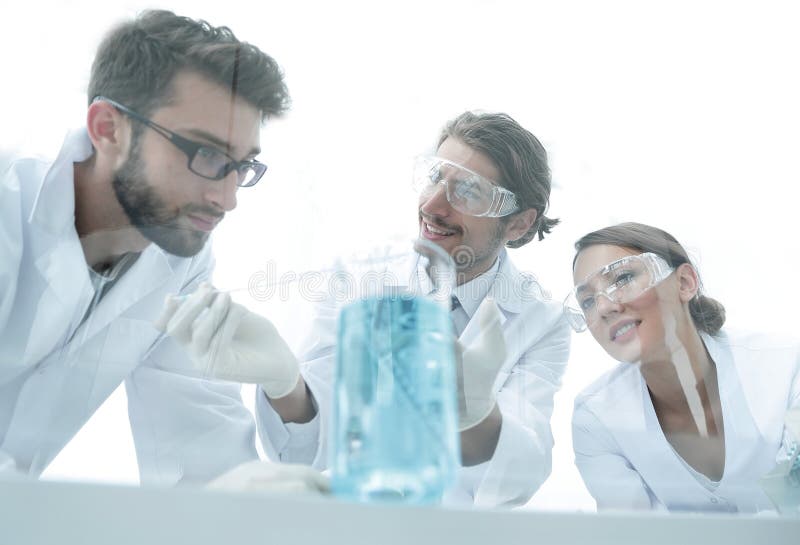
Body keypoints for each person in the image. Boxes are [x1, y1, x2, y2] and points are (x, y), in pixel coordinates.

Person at [161, 111, 572, 507]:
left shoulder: (542, 322)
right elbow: (308, 451)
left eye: (469, 191)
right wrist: (285, 384)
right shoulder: (356, 276)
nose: (431, 205)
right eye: (435, 178)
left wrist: (475, 415)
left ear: (518, 224)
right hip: (355, 522)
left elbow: (520, 476)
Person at [0, 10, 290, 485]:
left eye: (242, 166)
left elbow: (201, 456)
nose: (228, 198)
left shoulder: (181, 260)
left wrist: (264, 497)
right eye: (206, 154)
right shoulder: (7, 205)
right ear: (108, 128)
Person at [566, 222, 800, 512]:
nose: (603, 307)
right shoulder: (597, 418)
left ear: (685, 283)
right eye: (587, 301)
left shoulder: (787, 367)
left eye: (623, 278)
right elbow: (630, 536)